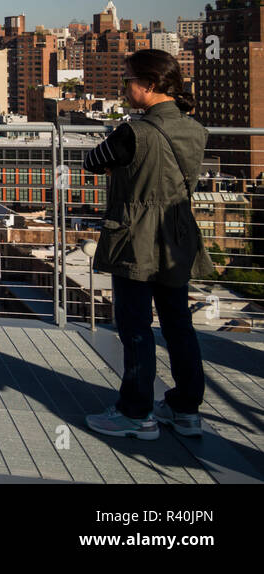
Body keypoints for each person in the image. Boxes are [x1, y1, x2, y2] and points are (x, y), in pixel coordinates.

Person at [84, 49, 210, 440]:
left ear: (149, 85)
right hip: (179, 234)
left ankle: (136, 413)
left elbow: (93, 161)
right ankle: (185, 408)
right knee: (178, 324)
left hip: (136, 235)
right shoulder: (195, 128)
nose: (124, 88)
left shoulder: (132, 132)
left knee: (136, 325)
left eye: (128, 80)